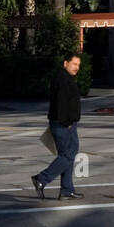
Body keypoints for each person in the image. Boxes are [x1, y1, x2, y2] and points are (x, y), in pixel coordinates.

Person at [32, 52, 85, 200]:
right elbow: (61, 103)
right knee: (69, 154)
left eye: (78, 65)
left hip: (67, 123)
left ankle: (66, 190)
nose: (77, 67)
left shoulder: (66, 78)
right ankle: (41, 179)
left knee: (67, 155)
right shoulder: (62, 79)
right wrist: (66, 122)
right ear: (65, 63)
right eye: (74, 64)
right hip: (64, 124)